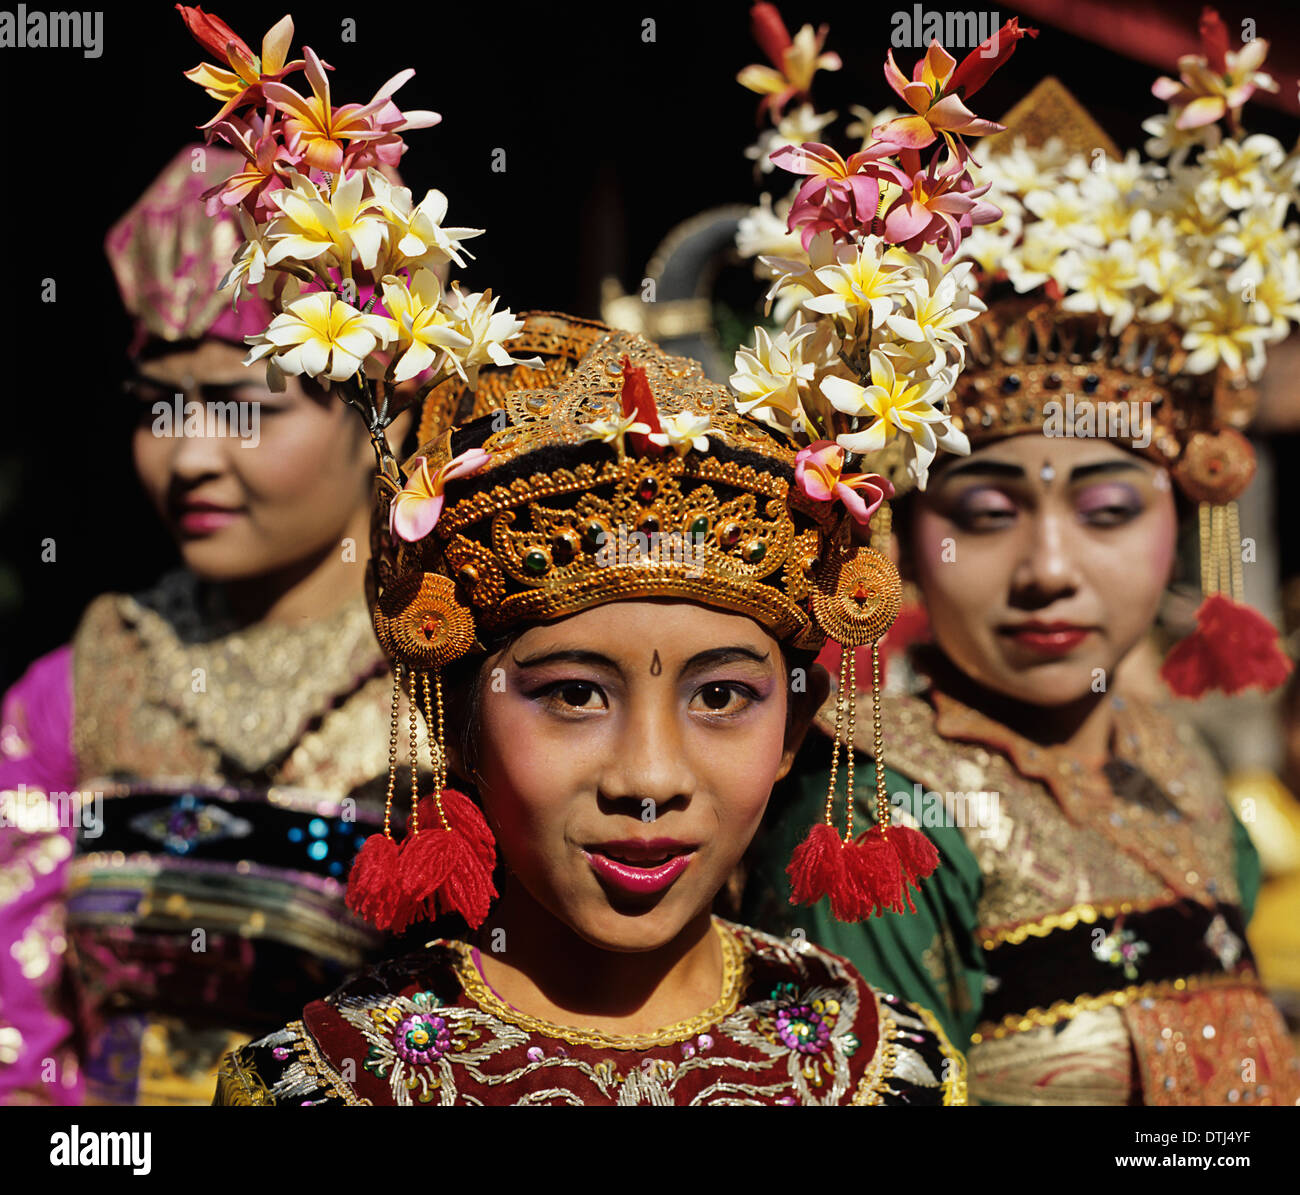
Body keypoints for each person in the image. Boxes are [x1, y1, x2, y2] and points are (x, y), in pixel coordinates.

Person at [211, 316, 967, 1106]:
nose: (648, 777)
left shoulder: (885, 1068)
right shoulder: (329, 1080)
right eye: (574, 695)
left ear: (795, 728)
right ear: (456, 720)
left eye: (720, 697)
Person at [742, 59, 1300, 1105]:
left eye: (1106, 512)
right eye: (987, 514)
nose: (1048, 571)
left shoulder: (1177, 768)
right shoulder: (878, 815)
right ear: (902, 530)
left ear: (1180, 514)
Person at [0, 146, 420, 1105]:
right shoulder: (83, 685)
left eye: (240, 407)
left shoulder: (451, 686)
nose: (187, 459)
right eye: (159, 409)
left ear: (383, 410)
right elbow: (14, 1034)